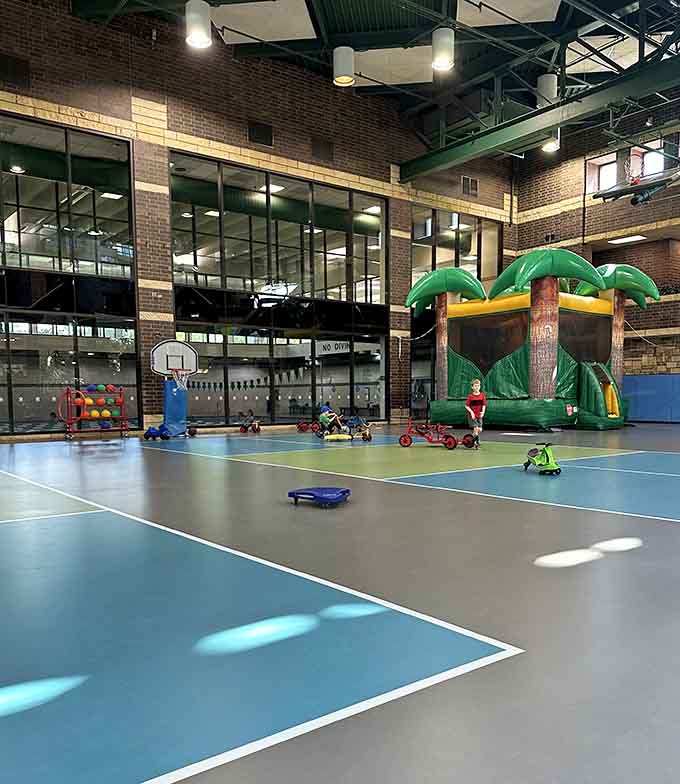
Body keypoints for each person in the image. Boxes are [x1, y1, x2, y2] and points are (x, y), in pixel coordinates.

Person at [465, 378, 487, 448]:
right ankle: (476, 442)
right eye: (475, 386)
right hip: (473, 416)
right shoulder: (470, 396)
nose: (477, 387)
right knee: (476, 428)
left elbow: (484, 405)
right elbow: (466, 406)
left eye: (478, 386)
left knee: (480, 429)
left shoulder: (482, 395)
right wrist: (471, 412)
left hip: (479, 415)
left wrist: (483, 412)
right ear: (472, 387)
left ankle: (472, 438)